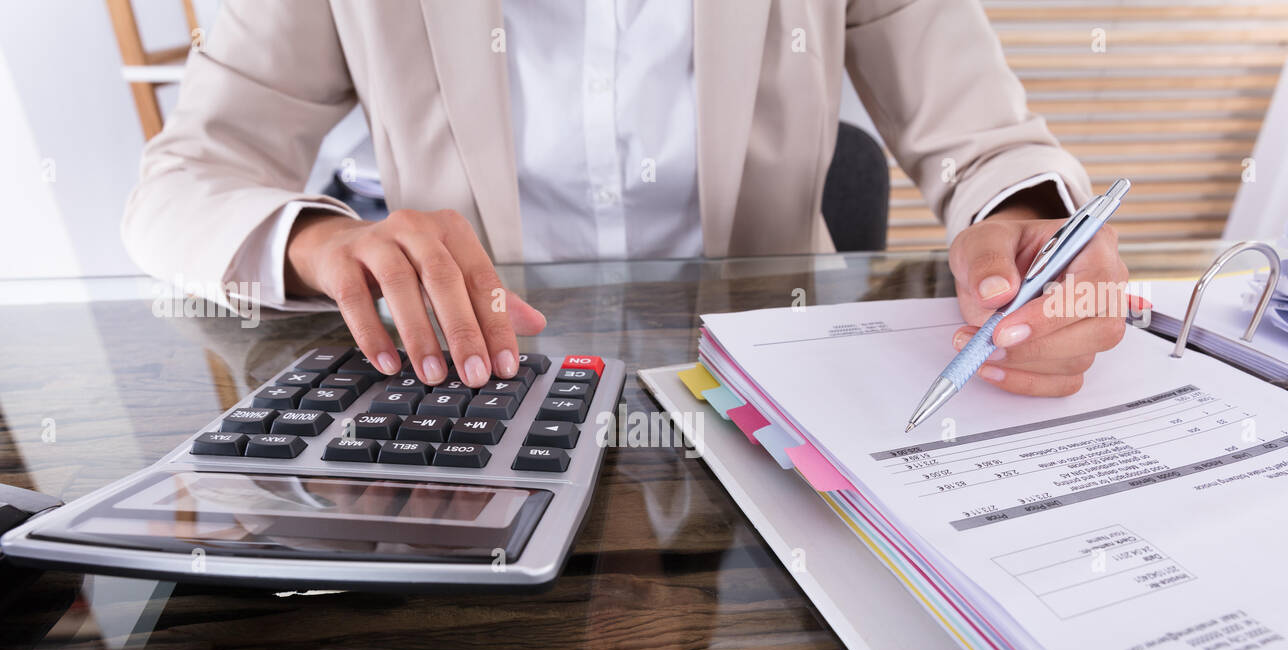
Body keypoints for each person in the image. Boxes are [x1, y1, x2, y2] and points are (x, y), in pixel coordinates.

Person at [122, 0, 1128, 396]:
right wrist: (319, 243)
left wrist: (1028, 219)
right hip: (474, 380)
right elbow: (181, 184)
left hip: (757, 385)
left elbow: (986, 141)